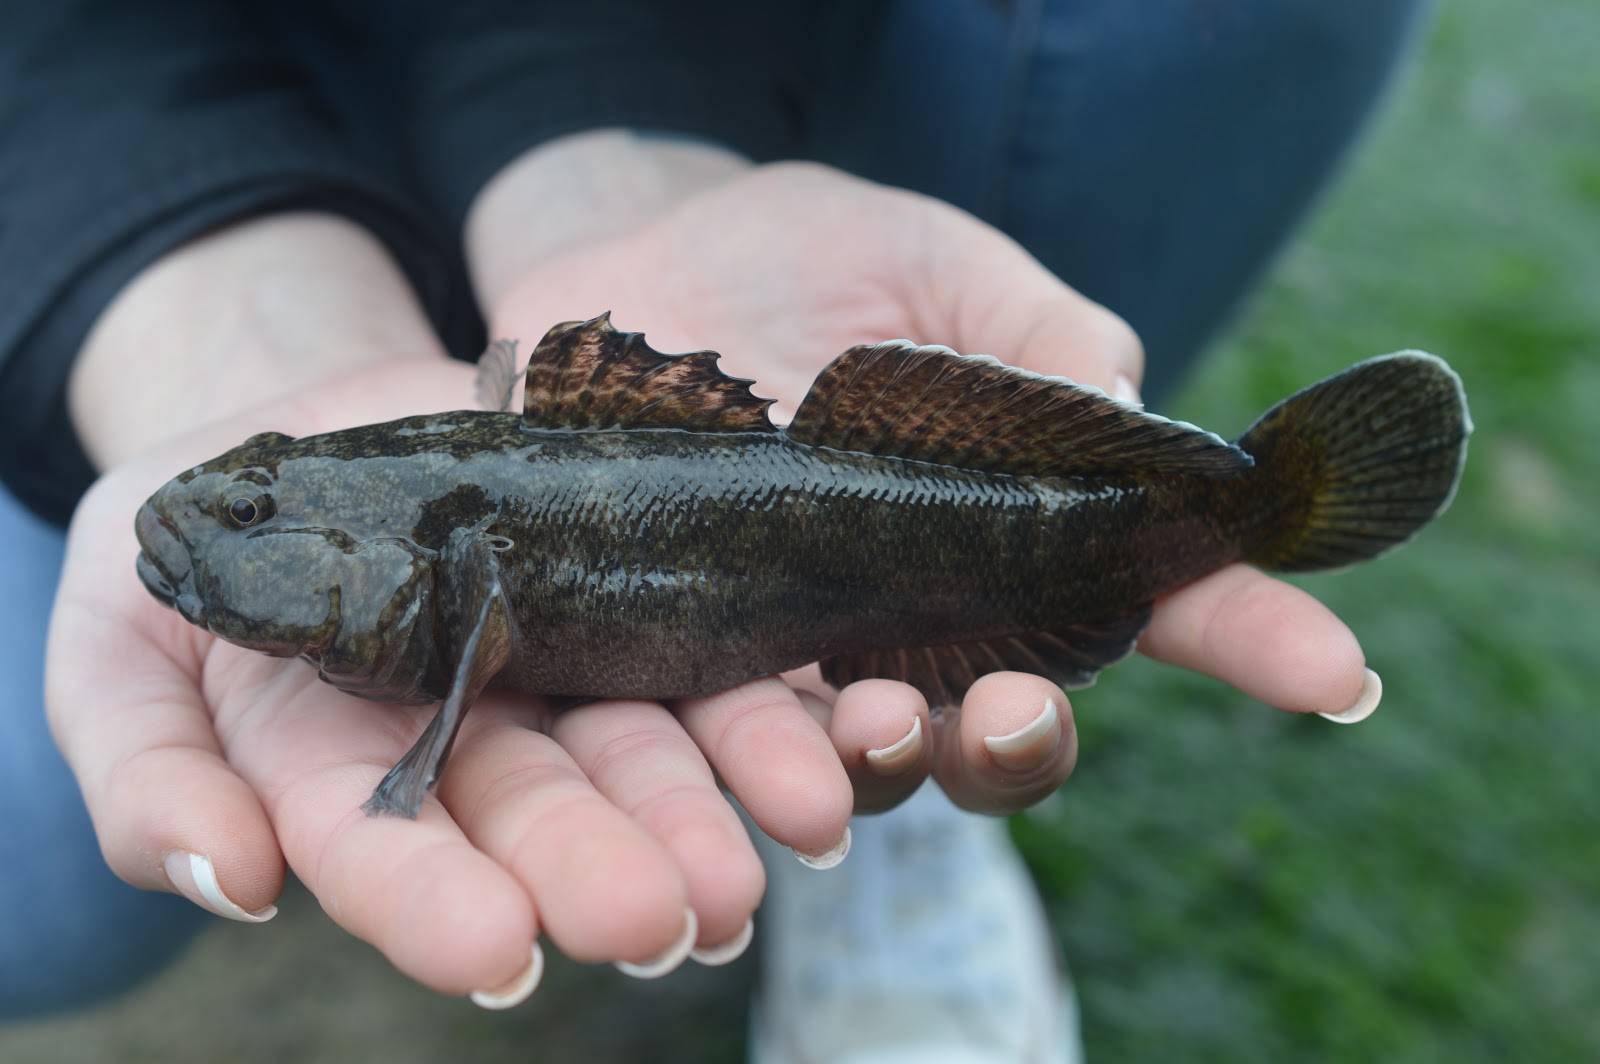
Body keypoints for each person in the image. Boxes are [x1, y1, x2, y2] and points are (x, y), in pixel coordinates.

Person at [0, 1, 1426, 1057]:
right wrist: (180, 295)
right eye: (260, 496)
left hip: (678, 53)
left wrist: (615, 151)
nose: (223, 523)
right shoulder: (421, 539)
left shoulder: (454, 550)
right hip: (120, 130)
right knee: (45, 875)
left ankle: (935, 751)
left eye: (264, 496)